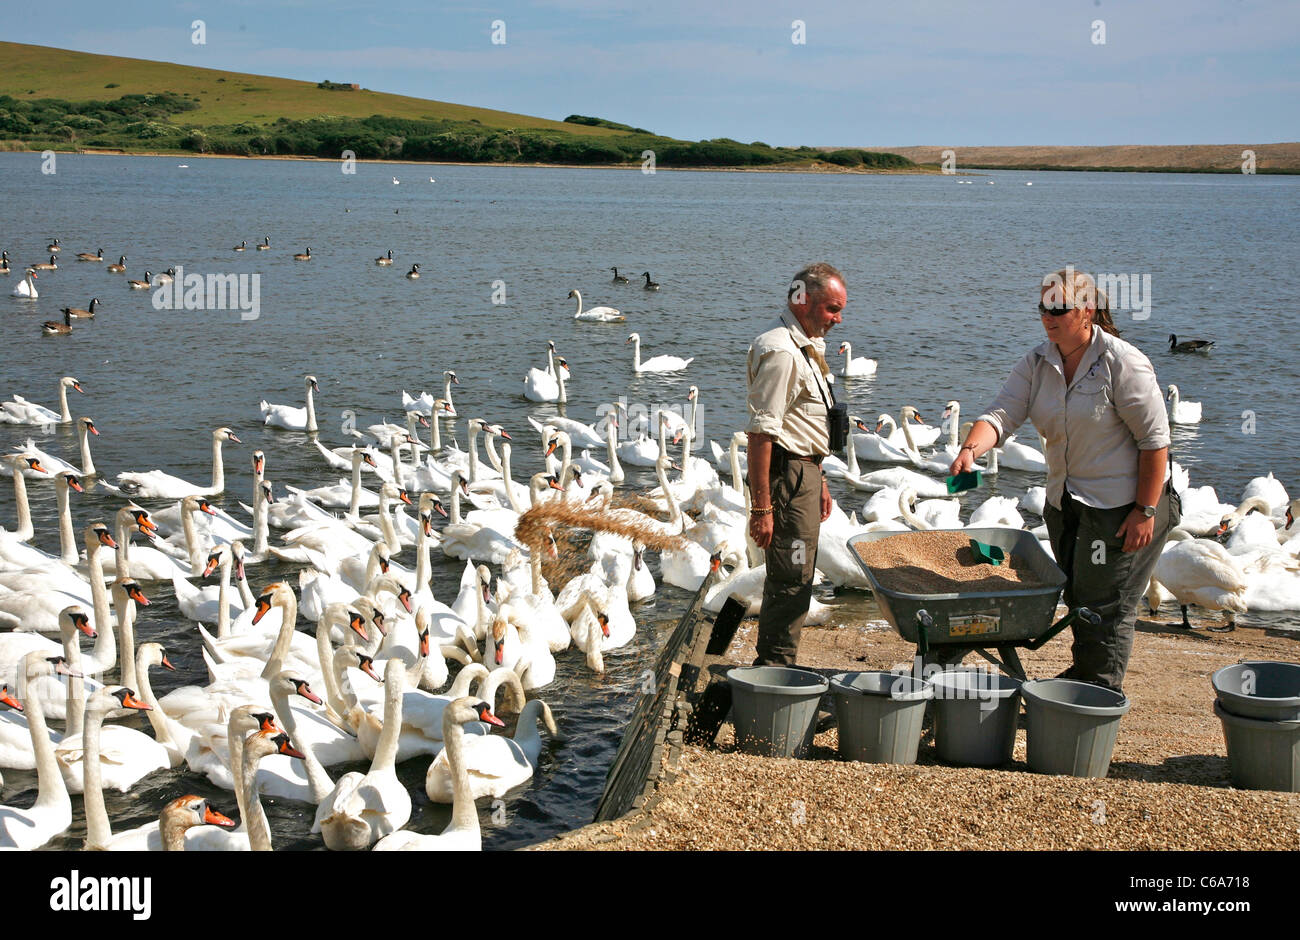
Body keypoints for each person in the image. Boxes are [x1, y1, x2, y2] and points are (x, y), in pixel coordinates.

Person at [950, 267, 1178, 692]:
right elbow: (1002, 414)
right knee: (1079, 597)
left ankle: (1097, 692)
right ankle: (1084, 676)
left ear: (1087, 310)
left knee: (1108, 605)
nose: (1047, 316)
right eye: (1042, 307)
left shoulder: (1123, 363)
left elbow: (1155, 443)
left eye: (1059, 308)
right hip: (1066, 503)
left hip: (1123, 506)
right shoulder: (1037, 362)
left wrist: (1145, 511)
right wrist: (970, 449)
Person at [745, 263, 844, 665]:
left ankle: (779, 665)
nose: (838, 319)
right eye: (832, 309)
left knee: (799, 575)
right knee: (791, 577)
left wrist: (817, 477)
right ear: (803, 302)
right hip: (786, 481)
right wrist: (763, 507)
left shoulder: (804, 345)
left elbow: (800, 424)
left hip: (802, 474)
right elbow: (762, 434)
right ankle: (773, 670)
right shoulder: (783, 352)